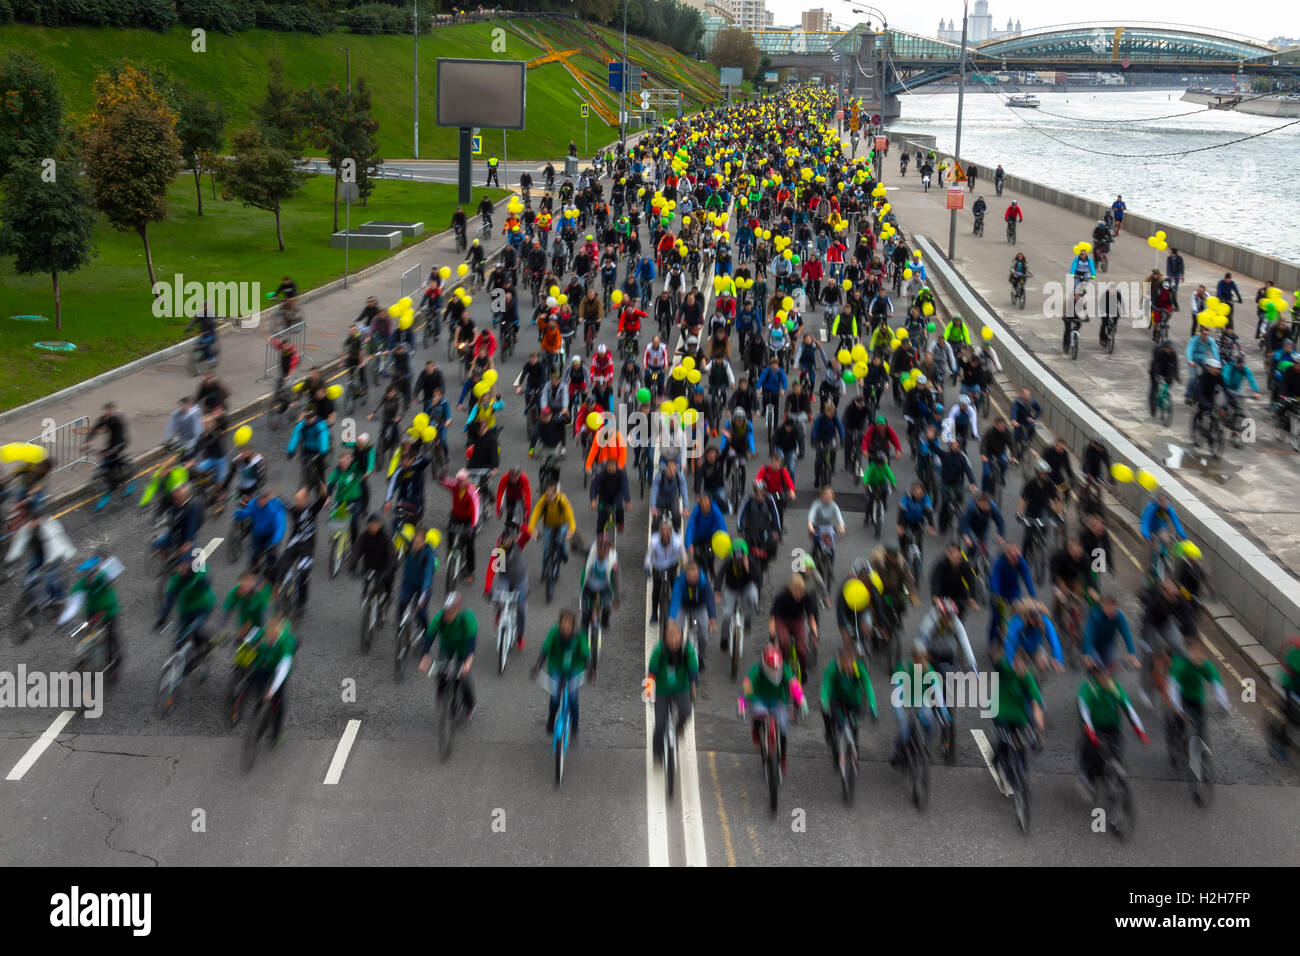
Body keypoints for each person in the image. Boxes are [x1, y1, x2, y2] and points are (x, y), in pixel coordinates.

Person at [1076, 658, 1148, 799]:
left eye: (1106, 673)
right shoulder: (1088, 689)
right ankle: (1087, 778)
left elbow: (1128, 708)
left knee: (1117, 754)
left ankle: (1118, 781)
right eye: (1100, 674)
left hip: (1112, 728)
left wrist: (1139, 731)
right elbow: (1084, 712)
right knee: (1090, 752)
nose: (1104, 677)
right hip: (1094, 728)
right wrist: (1090, 733)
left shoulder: (1114, 687)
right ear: (1095, 675)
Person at [741, 643, 806, 776]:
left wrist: (801, 700)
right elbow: (747, 686)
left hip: (778, 701)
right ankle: (756, 728)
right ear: (764, 664)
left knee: (783, 729)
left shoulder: (785, 669)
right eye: (771, 669)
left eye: (776, 669)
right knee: (758, 713)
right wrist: (742, 703)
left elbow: (793, 684)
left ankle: (783, 757)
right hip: (760, 699)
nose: (774, 672)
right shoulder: (757, 669)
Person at [531, 608, 590, 739]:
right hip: (556, 666)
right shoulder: (553, 633)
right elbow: (545, 649)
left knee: (573, 697)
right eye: (563, 624)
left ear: (573, 626)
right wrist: (537, 666)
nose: (565, 628)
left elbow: (586, 654)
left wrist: (590, 670)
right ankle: (551, 718)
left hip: (576, 668)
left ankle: (575, 727)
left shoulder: (580, 635)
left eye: (569, 625)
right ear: (559, 623)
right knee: (555, 697)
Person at [418, 592, 477, 719]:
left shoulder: (467, 618)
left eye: (450, 612)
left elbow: (471, 644)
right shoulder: (439, 618)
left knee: (464, 678)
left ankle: (470, 705)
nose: (447, 615)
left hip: (463, 648)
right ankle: (441, 691)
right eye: (446, 611)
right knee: (441, 671)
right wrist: (424, 657)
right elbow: (429, 638)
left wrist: (468, 662)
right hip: (446, 646)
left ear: (457, 610)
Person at [61, 554, 124, 673]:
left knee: (110, 637)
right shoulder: (82, 585)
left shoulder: (103, 578)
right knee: (85, 637)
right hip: (92, 614)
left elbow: (115, 569)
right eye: (87, 575)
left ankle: (113, 664)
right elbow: (73, 604)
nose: (89, 578)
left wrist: (105, 561)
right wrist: (63, 621)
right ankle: (83, 662)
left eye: (91, 574)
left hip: (108, 612)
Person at [647, 621, 699, 764]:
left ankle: (679, 726)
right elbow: (651, 673)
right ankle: (657, 754)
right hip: (662, 690)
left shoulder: (687, 650)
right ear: (665, 637)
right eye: (671, 637)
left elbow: (693, 669)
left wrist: (693, 685)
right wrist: (649, 693)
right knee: (659, 724)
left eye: (677, 637)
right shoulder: (659, 651)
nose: (675, 640)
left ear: (681, 636)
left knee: (686, 711)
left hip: (681, 688)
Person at [820, 643, 877, 759]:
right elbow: (826, 685)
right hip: (836, 697)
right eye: (845, 663)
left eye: (851, 664)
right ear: (840, 660)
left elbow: (868, 686)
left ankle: (854, 749)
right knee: (831, 714)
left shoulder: (859, 668)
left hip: (854, 700)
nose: (848, 667)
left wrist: (873, 705)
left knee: (853, 725)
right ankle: (830, 733)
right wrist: (823, 699)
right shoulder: (833, 667)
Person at [1000, 598, 1064, 672]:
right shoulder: (1018, 621)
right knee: (1018, 670)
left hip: (1035, 646)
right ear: (1027, 616)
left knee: (1044, 667)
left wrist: (1058, 658)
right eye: (1033, 621)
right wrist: (1012, 661)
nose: (1035, 624)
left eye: (1037, 622)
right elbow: (1010, 641)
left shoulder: (1044, 620)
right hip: (1019, 646)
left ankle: (1036, 678)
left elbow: (1054, 639)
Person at [579, 532, 619, 633]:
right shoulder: (591, 553)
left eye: (605, 547)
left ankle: (605, 621)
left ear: (609, 548)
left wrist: (616, 597)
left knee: (607, 606)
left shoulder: (613, 559)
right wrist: (576, 540)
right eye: (600, 546)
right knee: (586, 610)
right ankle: (584, 624)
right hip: (589, 586)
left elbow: (616, 579)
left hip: (604, 588)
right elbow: (581, 547)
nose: (602, 550)